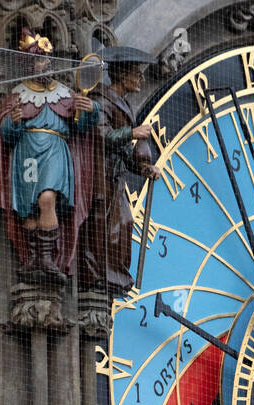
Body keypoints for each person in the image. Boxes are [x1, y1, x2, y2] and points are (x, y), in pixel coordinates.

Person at [0, 28, 101, 283]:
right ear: (30, 66)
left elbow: (81, 127)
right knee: (29, 209)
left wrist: (90, 110)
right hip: (26, 154)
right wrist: (13, 122)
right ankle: (33, 260)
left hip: (54, 151)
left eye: (47, 60)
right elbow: (5, 133)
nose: (46, 65)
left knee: (47, 198)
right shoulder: (18, 95)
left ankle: (49, 258)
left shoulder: (64, 93)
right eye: (40, 61)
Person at [78, 46, 163, 294]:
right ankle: (97, 275)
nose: (141, 79)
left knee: (123, 223)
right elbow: (101, 136)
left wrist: (143, 168)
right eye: (137, 74)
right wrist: (133, 133)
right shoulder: (100, 100)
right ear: (123, 75)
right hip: (98, 175)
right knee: (105, 225)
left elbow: (124, 151)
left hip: (114, 177)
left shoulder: (123, 104)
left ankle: (111, 275)